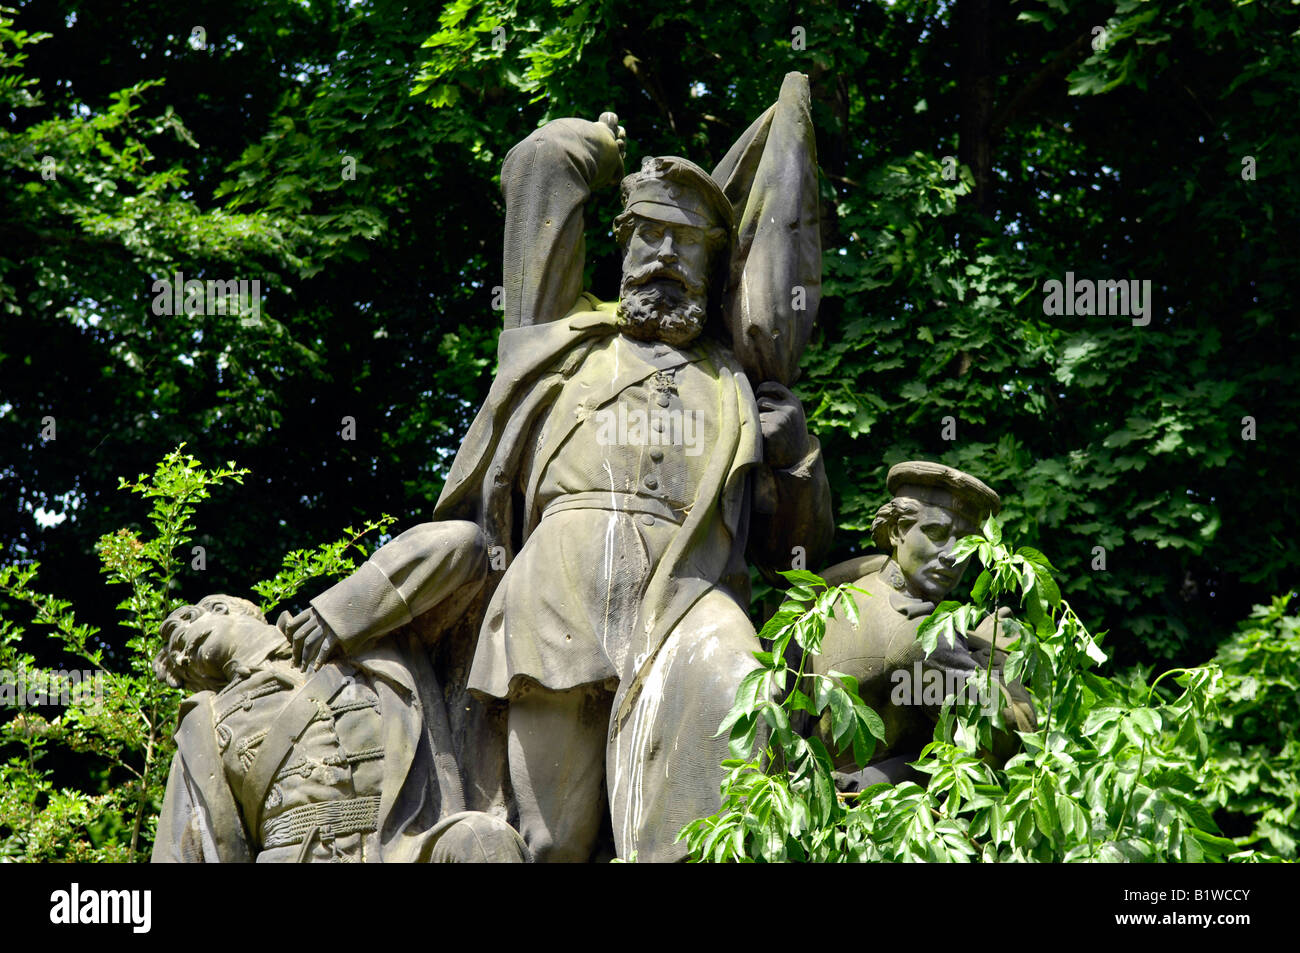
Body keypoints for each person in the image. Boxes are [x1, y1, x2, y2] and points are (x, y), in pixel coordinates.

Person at [433, 115, 834, 861]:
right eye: (648, 235)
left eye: (687, 244)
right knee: (553, 839)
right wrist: (598, 143)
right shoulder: (557, 334)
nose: (664, 256)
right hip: (558, 599)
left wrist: (795, 454)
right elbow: (538, 169)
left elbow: (798, 553)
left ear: (715, 270)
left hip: (689, 598)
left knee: (733, 700)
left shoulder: (739, 382)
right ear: (620, 246)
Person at [152, 521, 527, 863]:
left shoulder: (367, 641)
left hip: (403, 846)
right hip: (296, 856)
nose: (181, 651)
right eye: (181, 662)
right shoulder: (204, 728)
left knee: (481, 839)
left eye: (184, 625)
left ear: (226, 608)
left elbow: (464, 544)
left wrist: (340, 614)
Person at [811, 461, 1036, 790]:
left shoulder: (837, 594)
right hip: (891, 819)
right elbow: (1008, 736)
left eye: (965, 543)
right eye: (936, 533)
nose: (951, 555)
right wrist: (997, 654)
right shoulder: (922, 637)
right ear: (896, 531)